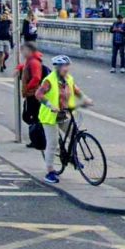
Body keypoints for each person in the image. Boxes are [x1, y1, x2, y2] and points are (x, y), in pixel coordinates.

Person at [35, 55, 92, 183]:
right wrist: (50, 105)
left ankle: (72, 158)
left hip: (64, 114)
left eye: (67, 66)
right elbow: (38, 94)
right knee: (52, 143)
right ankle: (49, 171)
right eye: (63, 66)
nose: (66, 69)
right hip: (50, 116)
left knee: (74, 134)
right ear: (57, 68)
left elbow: (76, 90)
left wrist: (85, 99)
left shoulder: (69, 79)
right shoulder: (49, 80)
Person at [17, 42, 46, 149]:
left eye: (23, 50)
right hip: (32, 94)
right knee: (31, 116)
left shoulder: (33, 62)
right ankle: (36, 139)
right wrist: (19, 68)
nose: (22, 53)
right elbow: (26, 67)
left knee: (31, 116)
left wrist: (27, 88)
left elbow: (36, 77)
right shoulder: (31, 61)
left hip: (33, 94)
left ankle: (39, 140)